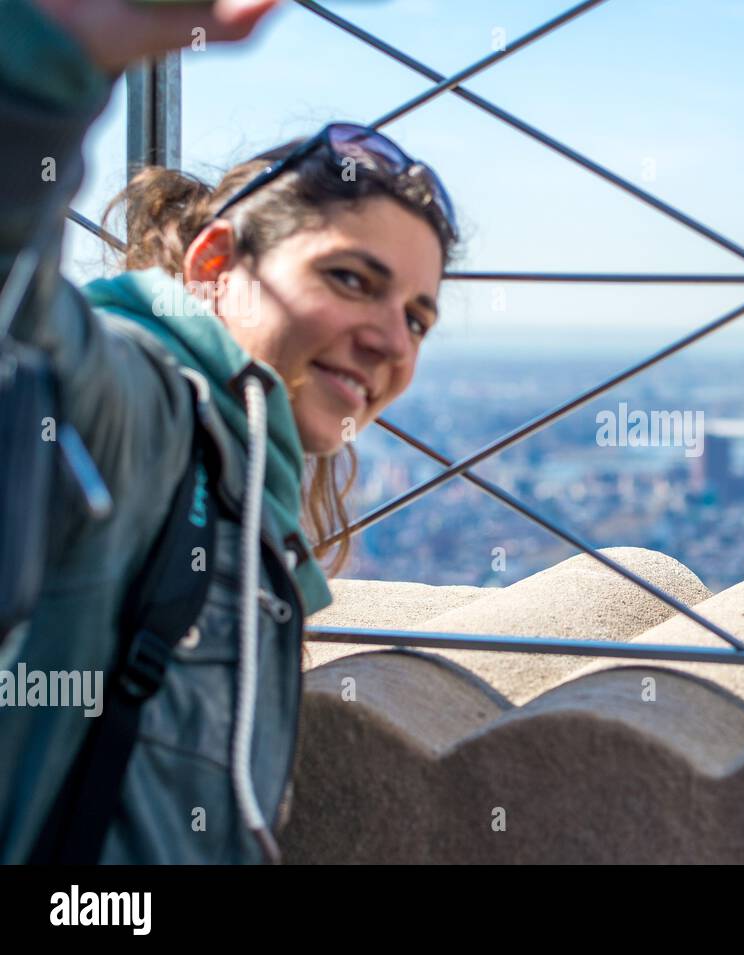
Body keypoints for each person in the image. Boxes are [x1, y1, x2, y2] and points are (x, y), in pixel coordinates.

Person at [0, 0, 459, 863]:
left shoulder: (247, 490)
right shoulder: (143, 408)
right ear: (214, 265)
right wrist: (45, 55)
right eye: (352, 278)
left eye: (419, 318)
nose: (393, 341)